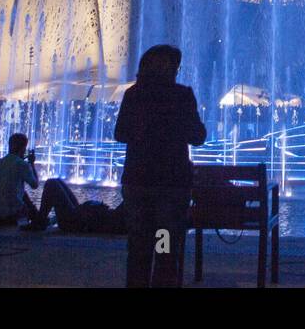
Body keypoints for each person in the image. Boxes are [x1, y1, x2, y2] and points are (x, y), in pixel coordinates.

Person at [114, 44, 207, 287]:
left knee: (138, 248)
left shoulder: (133, 95)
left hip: (138, 184)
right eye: (174, 66)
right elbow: (198, 136)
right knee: (164, 247)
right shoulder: (181, 96)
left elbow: (120, 133)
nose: (177, 70)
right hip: (169, 187)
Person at [24, 177, 125, 234]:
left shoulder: (130, 214)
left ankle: (40, 221)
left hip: (74, 222)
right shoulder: (132, 207)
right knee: (58, 181)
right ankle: (41, 220)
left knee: (52, 183)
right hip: (81, 216)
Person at [0, 133, 40, 226]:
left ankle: (36, 217)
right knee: (22, 195)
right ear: (23, 148)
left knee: (20, 192)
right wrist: (31, 163)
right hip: (11, 217)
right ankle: (38, 220)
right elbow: (35, 185)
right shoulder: (22, 164)